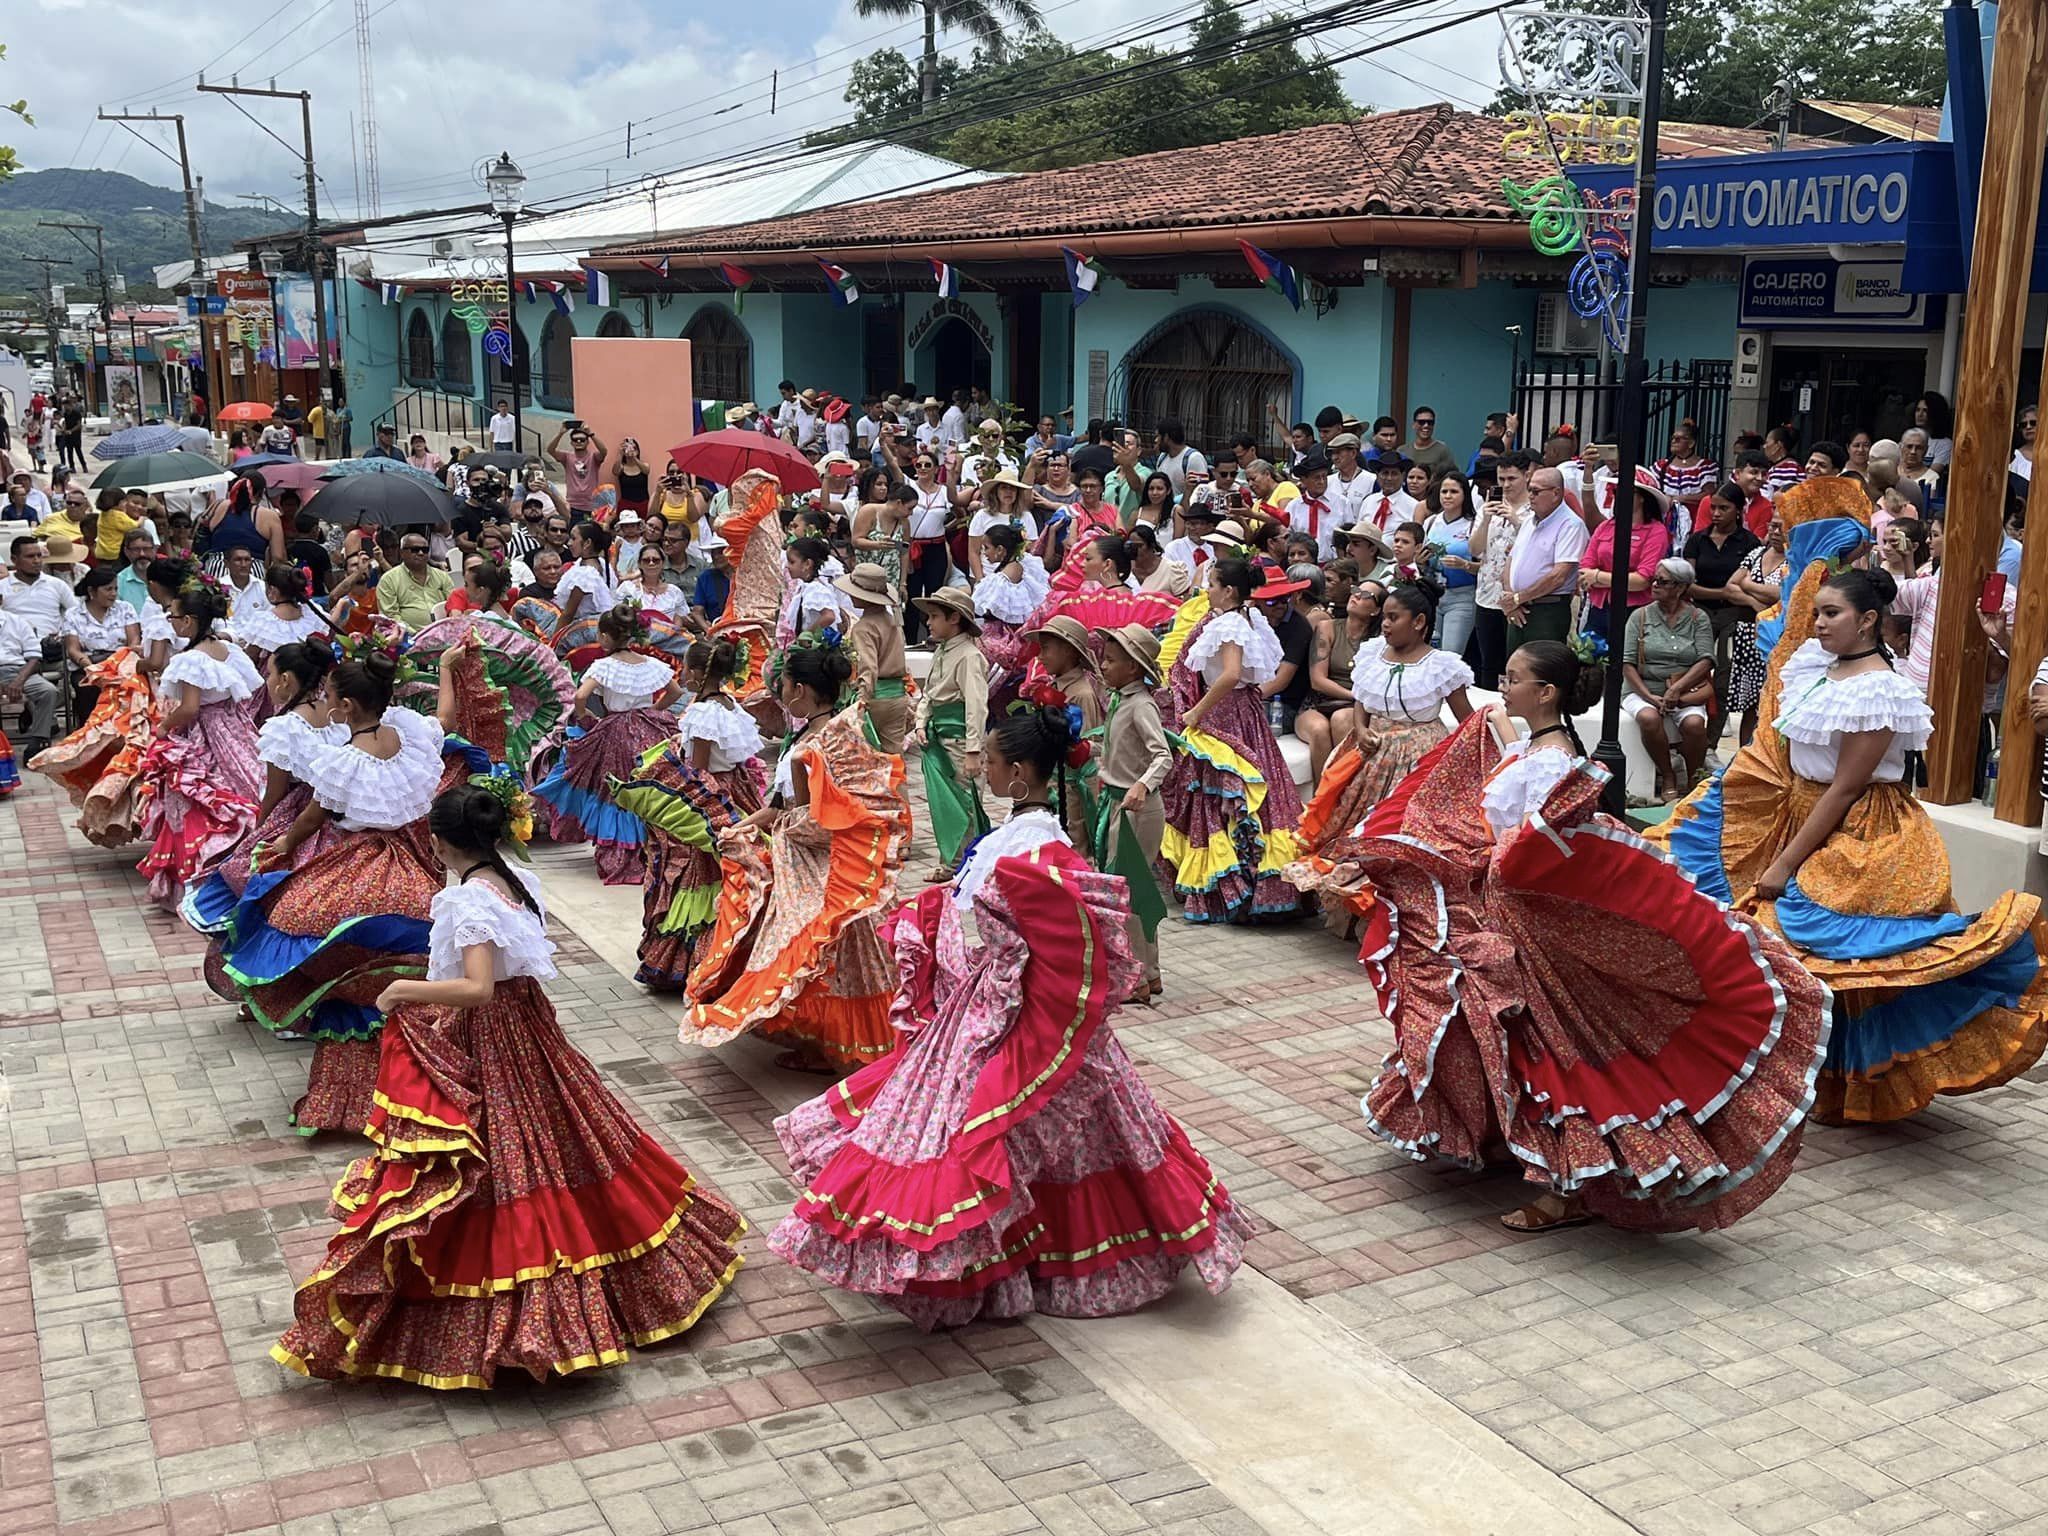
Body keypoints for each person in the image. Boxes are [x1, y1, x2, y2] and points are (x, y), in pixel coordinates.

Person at [766, 705, 1247, 1327]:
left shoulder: (1034, 845)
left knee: (989, 1132)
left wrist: (959, 952)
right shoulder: (1023, 835)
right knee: (1041, 1131)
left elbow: (1036, 936)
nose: (982, 769)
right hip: (1001, 1004)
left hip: (1012, 1011)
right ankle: (1026, 1254)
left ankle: (1003, 1263)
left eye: (991, 761)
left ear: (1019, 773)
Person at [273, 779, 743, 1386]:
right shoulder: (511, 878)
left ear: (441, 843)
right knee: (570, 1141)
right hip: (528, 1025)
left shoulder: (467, 900)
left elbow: (476, 988)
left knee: (499, 1160)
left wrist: (401, 990)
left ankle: (524, 1310)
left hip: (491, 1032)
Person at [1356, 640, 1829, 1232]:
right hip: (1511, 917)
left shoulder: (1554, 765)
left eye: (1514, 678)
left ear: (1546, 692)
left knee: (1558, 1047)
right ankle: (1513, 1141)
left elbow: (1540, 853)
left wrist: (1478, 866)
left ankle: (1567, 1190)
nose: (1503, 686)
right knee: (1509, 1033)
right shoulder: (1534, 749)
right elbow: (1507, 788)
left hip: (1539, 929)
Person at [1658, 547, 2048, 1121]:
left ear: (1867, 620)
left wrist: (1783, 865)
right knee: (1818, 962)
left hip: (1861, 831)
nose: (1818, 623)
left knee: (1823, 952)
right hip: (1802, 815)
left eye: (1831, 613)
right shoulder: (1818, 667)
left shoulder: (1878, 691)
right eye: (1817, 612)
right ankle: (1814, 1078)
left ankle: (1830, 1078)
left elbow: (1844, 789)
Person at [205, 648, 446, 1131]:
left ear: (348, 706)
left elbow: (314, 816)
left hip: (354, 867)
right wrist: (448, 670)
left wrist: (281, 843)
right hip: (408, 868)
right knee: (406, 963)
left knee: (302, 937)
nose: (327, 704)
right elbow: (444, 720)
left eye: (332, 697)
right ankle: (411, 1087)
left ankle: (348, 1097)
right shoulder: (408, 737)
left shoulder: (344, 760)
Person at [685, 636, 911, 1073]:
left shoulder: (820, 746)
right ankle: (828, 1042)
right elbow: (780, 806)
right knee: (820, 952)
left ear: (800, 690)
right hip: (821, 864)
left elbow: (813, 819)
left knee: (811, 948)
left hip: (823, 868)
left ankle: (834, 1044)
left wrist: (777, 827)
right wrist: (744, 827)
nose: (780, 693)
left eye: (784, 686)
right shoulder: (822, 735)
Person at [1291, 580, 1473, 909]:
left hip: (1419, 757)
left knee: (1401, 827)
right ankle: (1355, 907)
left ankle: (1395, 905)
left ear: (1419, 622)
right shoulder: (1372, 653)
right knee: (1353, 818)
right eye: (1385, 617)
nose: (1385, 625)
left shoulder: (1442, 666)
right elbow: (1362, 698)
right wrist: (1360, 729)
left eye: (1393, 617)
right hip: (1373, 750)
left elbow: (1467, 721)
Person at [613, 637, 767, 991]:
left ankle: (697, 961)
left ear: (698, 673)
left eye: (685, 668)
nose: (682, 674)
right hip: (736, 792)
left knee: (699, 871)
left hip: (708, 798)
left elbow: (697, 769)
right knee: (729, 871)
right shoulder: (730, 705)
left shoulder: (703, 713)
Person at [1157, 558, 1305, 924]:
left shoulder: (1229, 624)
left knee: (1221, 793)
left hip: (1225, 715)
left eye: (1212, 583)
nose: (1206, 590)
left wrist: (1196, 712)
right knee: (1246, 794)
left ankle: (1233, 889)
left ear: (1229, 591)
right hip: (1245, 714)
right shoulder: (1248, 618)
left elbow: (1230, 674)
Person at [133, 579, 263, 908]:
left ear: (188, 621)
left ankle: (203, 885)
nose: (171, 622)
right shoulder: (228, 650)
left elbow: (190, 708)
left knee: (201, 800)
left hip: (204, 733)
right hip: (236, 729)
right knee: (244, 791)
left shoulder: (192, 659)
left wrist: (164, 727)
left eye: (174, 617)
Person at [533, 604, 680, 885]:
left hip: (616, 733)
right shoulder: (650, 663)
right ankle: (656, 849)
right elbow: (675, 691)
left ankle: (623, 853)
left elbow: (579, 696)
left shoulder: (604, 666)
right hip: (651, 730)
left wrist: (586, 716)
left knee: (616, 792)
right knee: (650, 788)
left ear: (604, 636)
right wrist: (654, 711)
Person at [1090, 623, 1173, 1000]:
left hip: (1137, 808)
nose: (1103, 666)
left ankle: (1137, 977)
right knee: (1130, 891)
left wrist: (1143, 784)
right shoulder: (1118, 701)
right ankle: (1149, 972)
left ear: (1133, 668)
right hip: (1117, 803)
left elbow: (1162, 756)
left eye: (1111, 660)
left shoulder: (1141, 705)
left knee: (1129, 892)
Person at [1621, 558, 1716, 800]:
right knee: (1649, 718)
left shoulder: (1698, 618)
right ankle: (1668, 774)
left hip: (1685, 690)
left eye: (1663, 581)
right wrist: (1649, 696)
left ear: (1681, 587)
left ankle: (1694, 776)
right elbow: (1627, 663)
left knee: (1694, 725)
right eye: (1654, 579)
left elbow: (1706, 659)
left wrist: (1677, 690)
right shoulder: (1640, 616)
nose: (1654, 585)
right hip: (1643, 688)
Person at [912, 587, 990, 880]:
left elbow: (976, 705)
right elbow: (929, 694)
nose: (929, 622)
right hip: (939, 737)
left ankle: (965, 863)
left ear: (954, 618)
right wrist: (921, 722)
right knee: (945, 803)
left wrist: (973, 750)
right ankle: (953, 860)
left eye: (934, 616)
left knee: (965, 803)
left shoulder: (969, 656)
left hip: (959, 741)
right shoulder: (942, 652)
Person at [1682, 481, 1763, 745]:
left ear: (1738, 510)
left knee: (1724, 678)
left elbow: (1748, 583)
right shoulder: (1698, 540)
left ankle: (1710, 742)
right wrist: (1725, 591)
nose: (1716, 513)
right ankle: (1687, 740)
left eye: (1723, 508)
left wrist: (1731, 594)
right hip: (1701, 612)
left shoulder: (1750, 543)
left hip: (1734, 615)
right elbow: (1688, 584)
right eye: (1713, 508)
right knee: (1691, 670)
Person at [1500, 467, 1587, 649]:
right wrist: (1511, 599)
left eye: (1536, 491)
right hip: (1518, 608)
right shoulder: (1528, 522)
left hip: (1548, 610)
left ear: (1556, 493)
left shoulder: (1571, 525)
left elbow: (1558, 576)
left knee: (1541, 664)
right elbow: (1511, 561)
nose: (1530, 496)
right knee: (1513, 662)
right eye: (1529, 490)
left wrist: (1518, 598)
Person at [1578, 473, 1673, 635]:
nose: (1618, 495)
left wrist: (1597, 577)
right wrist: (1621, 581)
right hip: (1598, 608)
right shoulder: (1605, 527)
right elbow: (1584, 572)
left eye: (1626, 490)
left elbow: (1642, 581)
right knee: (1589, 651)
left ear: (1643, 498)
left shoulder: (1656, 531)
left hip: (1634, 611)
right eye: (1615, 491)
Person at [1728, 510, 1788, 745]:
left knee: (1770, 700)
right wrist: (1755, 603)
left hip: (1774, 637)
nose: (1775, 532)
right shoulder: (1756, 554)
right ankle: (1744, 751)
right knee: (1750, 703)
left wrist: (1748, 585)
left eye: (1781, 527)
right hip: (1746, 637)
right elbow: (1730, 586)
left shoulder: (1794, 560)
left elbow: (1783, 593)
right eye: (1772, 526)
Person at [837, 562, 910, 754]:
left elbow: (868, 667)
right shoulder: (892, 620)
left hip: (876, 696)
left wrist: (862, 700)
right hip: (898, 696)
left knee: (868, 758)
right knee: (894, 754)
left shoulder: (864, 628)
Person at [201, 474, 287, 574]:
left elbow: (202, 528)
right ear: (262, 492)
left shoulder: (218, 506)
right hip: (252, 571)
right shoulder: (269, 516)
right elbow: (278, 557)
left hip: (216, 569)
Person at [373, 530, 455, 629]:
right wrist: (414, 634)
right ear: (402, 552)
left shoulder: (442, 576)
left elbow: (454, 605)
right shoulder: (388, 580)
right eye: (415, 550)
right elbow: (391, 617)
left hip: (444, 631)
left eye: (425, 550)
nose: (421, 553)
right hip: (407, 635)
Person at [547, 422, 608, 516]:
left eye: (582, 440)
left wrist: (591, 434)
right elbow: (550, 450)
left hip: (591, 506)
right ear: (571, 443)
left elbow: (604, 451)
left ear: (587, 442)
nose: (579, 442)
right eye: (575, 440)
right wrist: (560, 433)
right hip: (572, 505)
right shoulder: (567, 457)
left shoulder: (593, 457)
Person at [616, 543, 686, 623]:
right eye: (646, 560)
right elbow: (616, 616)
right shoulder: (627, 589)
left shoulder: (674, 591)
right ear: (639, 564)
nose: (651, 563)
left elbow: (681, 618)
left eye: (656, 560)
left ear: (663, 563)